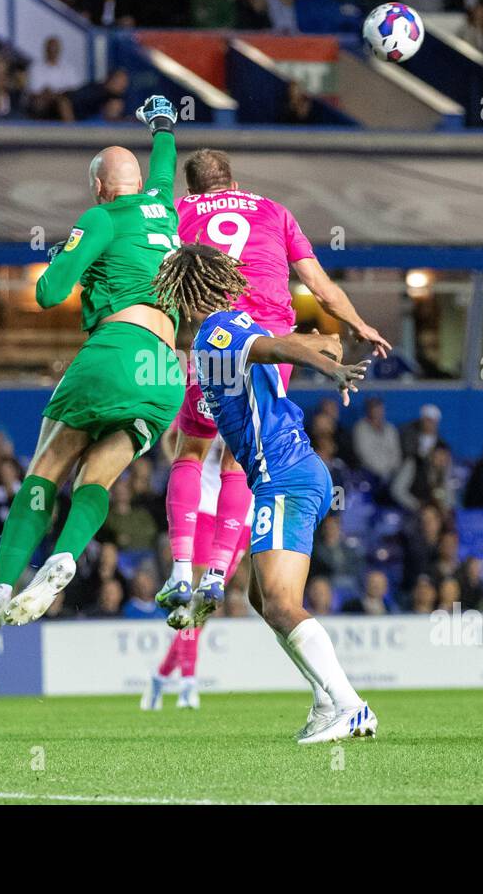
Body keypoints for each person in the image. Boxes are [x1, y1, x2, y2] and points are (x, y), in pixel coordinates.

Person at [0, 96, 188, 648]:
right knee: (98, 479)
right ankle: (64, 556)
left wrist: (68, 252)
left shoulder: (101, 216)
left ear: (100, 188)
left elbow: (48, 292)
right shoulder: (165, 206)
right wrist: (160, 121)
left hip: (115, 350)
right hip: (166, 370)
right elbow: (164, 163)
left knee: (45, 469)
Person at [154, 240, 375, 744]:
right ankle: (326, 702)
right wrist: (327, 347)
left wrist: (329, 367)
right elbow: (285, 341)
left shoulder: (215, 331)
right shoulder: (231, 324)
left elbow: (274, 348)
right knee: (261, 596)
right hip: (292, 472)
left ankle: (351, 706)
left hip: (284, 476)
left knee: (278, 601)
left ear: (187, 294)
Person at [160, 147, 390, 624]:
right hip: (272, 342)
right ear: (234, 182)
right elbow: (322, 289)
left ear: (193, 189)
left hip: (212, 339)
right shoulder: (273, 211)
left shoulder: (179, 212)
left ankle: (183, 568)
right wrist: (358, 324)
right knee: (241, 460)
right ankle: (218, 575)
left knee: (190, 450)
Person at [142, 436, 250, 711]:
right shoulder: (209, 398)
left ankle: (160, 676)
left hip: (242, 515)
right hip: (204, 508)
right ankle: (188, 684)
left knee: (204, 608)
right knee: (195, 600)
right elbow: (171, 437)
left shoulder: (260, 403)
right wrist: (184, 468)